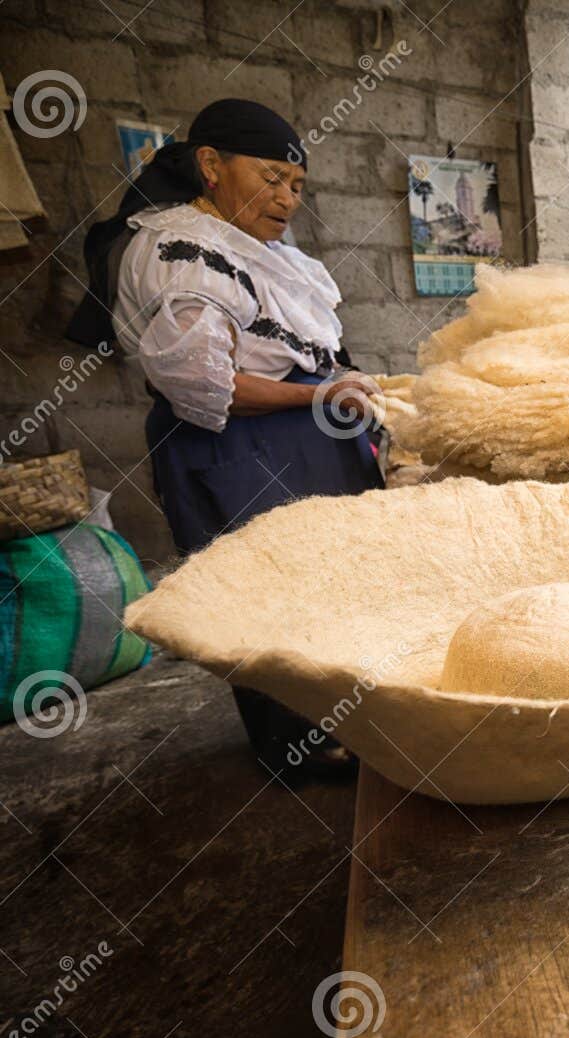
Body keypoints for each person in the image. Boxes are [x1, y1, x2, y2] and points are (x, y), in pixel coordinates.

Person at [68, 98, 384, 776]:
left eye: (296, 185)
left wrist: (346, 383)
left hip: (301, 444)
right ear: (210, 165)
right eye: (270, 177)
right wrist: (319, 395)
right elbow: (207, 384)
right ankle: (296, 751)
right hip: (239, 451)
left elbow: (295, 349)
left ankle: (347, 727)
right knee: (266, 605)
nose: (286, 198)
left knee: (332, 593)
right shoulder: (181, 252)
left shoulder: (261, 252)